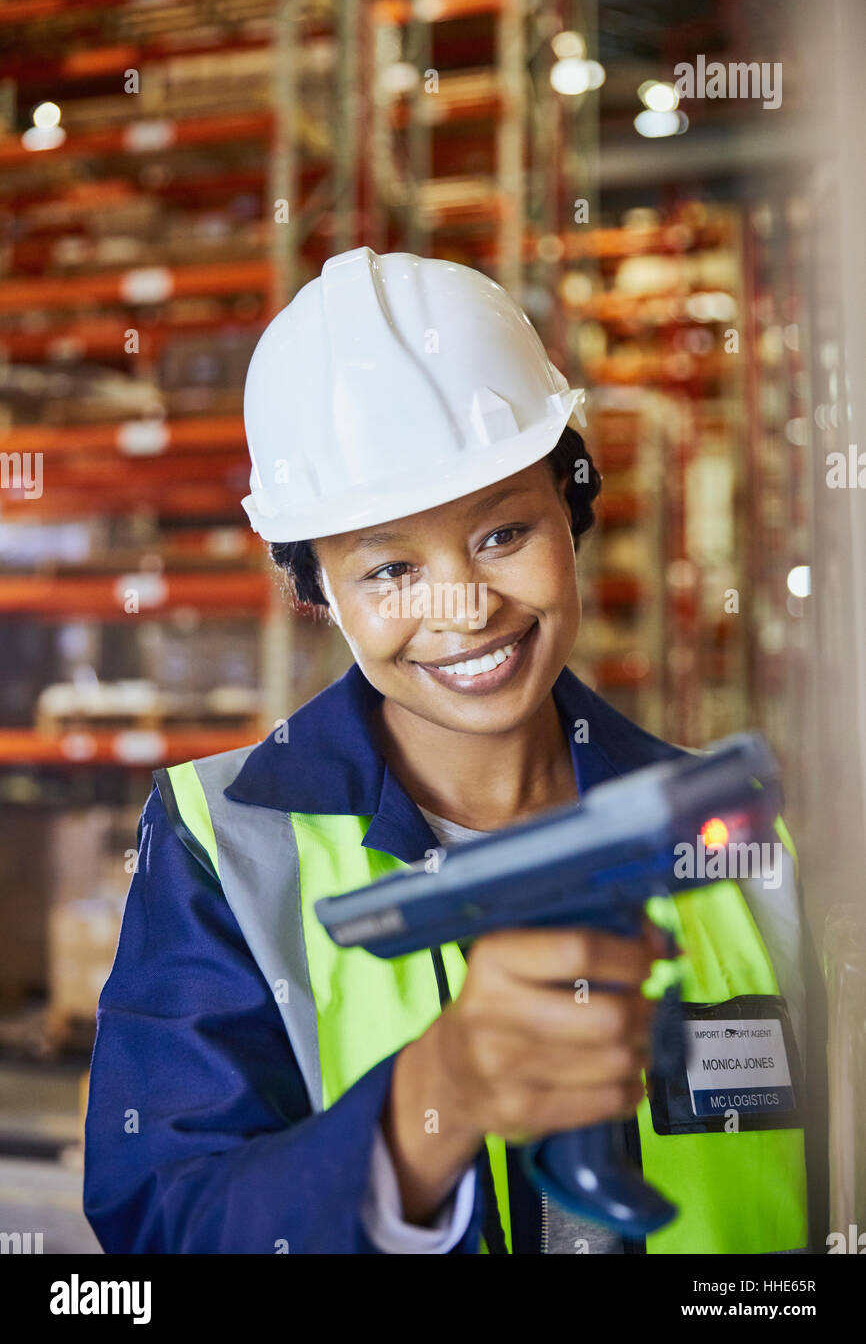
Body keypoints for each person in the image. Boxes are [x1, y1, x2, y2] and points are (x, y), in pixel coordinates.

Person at [83, 246, 825, 1254]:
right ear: (318, 592)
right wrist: (424, 1109)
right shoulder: (225, 844)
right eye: (389, 568)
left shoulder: (737, 839)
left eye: (500, 533)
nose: (464, 608)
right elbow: (163, 1228)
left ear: (571, 510)